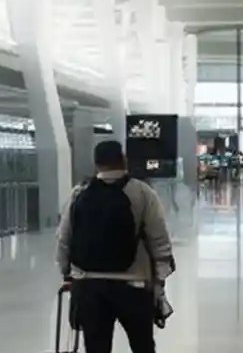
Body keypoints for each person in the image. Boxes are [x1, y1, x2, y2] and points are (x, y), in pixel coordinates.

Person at [57, 140, 173, 353]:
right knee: (143, 345)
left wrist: (67, 274)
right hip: (134, 286)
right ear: (123, 160)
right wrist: (160, 281)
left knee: (96, 347)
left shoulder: (79, 193)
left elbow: (64, 238)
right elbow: (159, 240)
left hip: (89, 284)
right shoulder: (142, 193)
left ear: (96, 164)